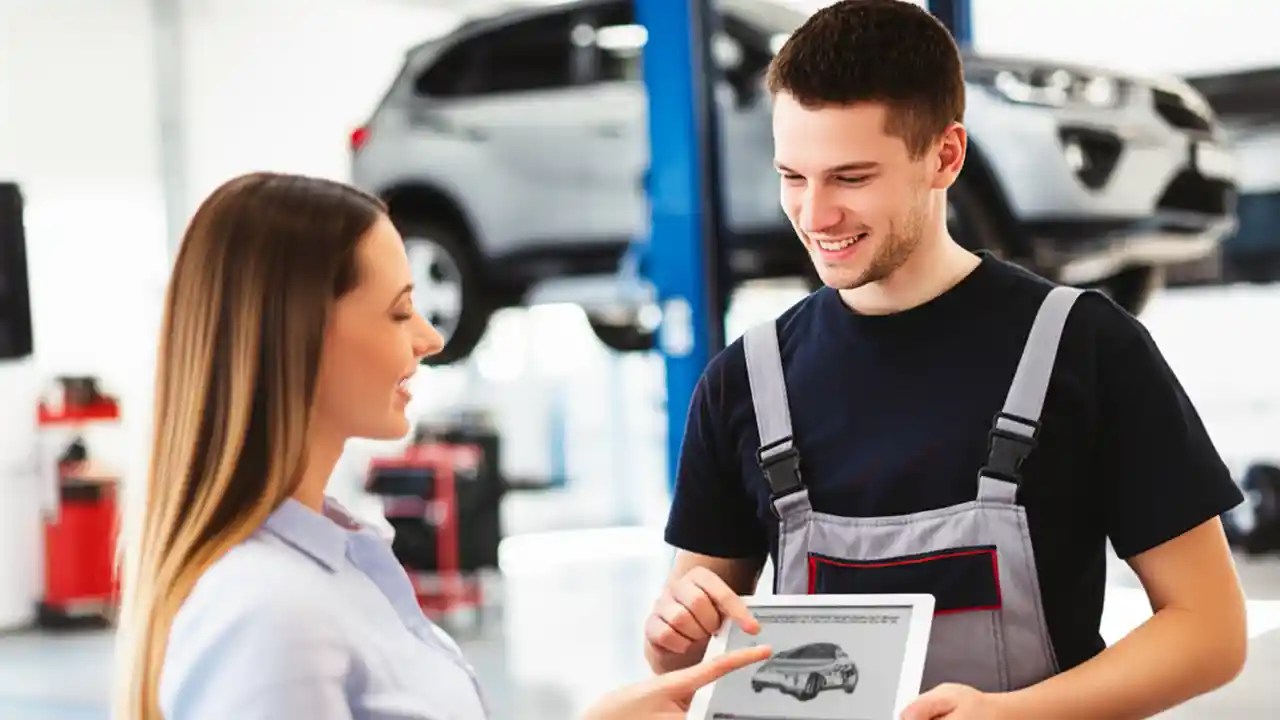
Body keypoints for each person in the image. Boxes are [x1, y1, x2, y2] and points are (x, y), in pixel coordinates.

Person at [643, 1, 1249, 718]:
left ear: (945, 156)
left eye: (851, 177)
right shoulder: (743, 383)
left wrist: (1014, 716)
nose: (815, 216)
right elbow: (683, 657)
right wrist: (670, 633)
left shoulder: (1085, 349)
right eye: (793, 177)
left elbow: (1210, 629)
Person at [111, 171, 771, 720]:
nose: (428, 338)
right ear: (299, 336)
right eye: (400, 311)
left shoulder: (338, 562)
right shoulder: (267, 617)